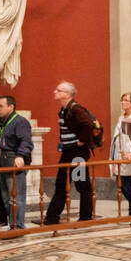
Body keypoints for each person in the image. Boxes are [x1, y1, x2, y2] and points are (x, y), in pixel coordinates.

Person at [43, 81, 98, 225]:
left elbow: (88, 124)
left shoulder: (76, 109)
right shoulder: (64, 109)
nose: (55, 92)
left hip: (77, 153)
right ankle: (52, 217)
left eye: (58, 90)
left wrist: (81, 140)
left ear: (67, 94)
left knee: (81, 184)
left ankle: (85, 216)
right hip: (68, 152)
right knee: (62, 183)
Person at [0, 95, 32, 230]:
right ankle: (12, 224)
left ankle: (18, 226)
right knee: (6, 196)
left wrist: (20, 155)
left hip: (14, 160)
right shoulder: (3, 122)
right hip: (3, 160)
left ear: (11, 107)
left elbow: (26, 141)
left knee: (16, 196)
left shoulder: (19, 122)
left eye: (0, 106)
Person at [110, 92, 131, 216]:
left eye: (126, 100)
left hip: (130, 155)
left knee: (127, 184)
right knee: (122, 184)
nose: (123, 102)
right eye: (122, 100)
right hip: (120, 154)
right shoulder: (122, 117)